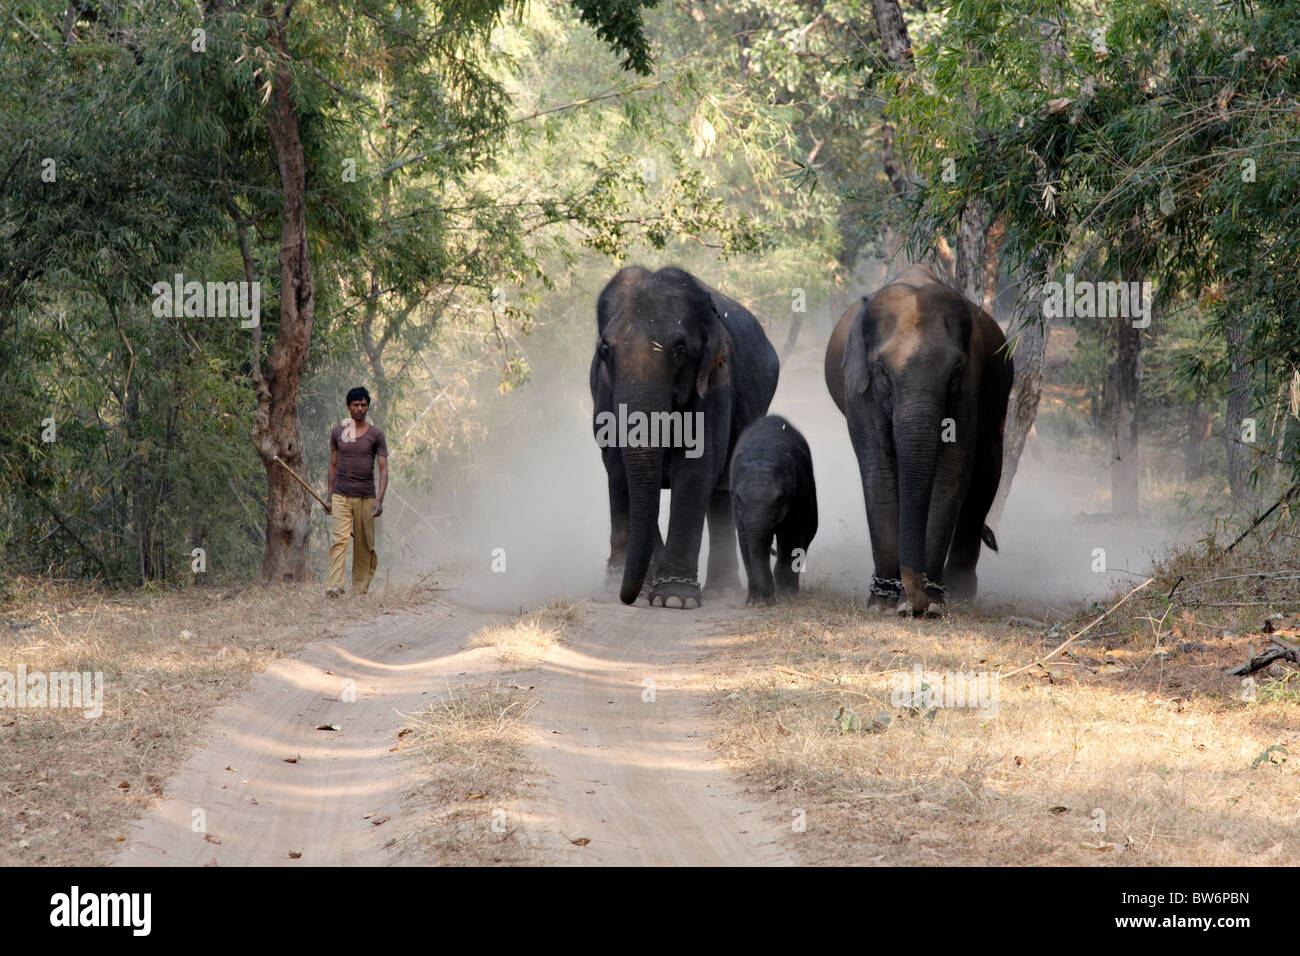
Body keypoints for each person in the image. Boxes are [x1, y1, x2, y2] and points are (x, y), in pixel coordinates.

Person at [323, 387, 388, 596]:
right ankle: (335, 586)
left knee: (363, 544)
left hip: (366, 496)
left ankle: (360, 589)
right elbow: (333, 465)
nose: (360, 409)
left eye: (363, 405)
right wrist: (329, 496)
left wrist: (379, 499)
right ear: (348, 407)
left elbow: (383, 468)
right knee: (340, 540)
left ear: (368, 406)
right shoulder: (338, 433)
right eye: (355, 405)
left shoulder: (376, 435)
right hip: (341, 494)